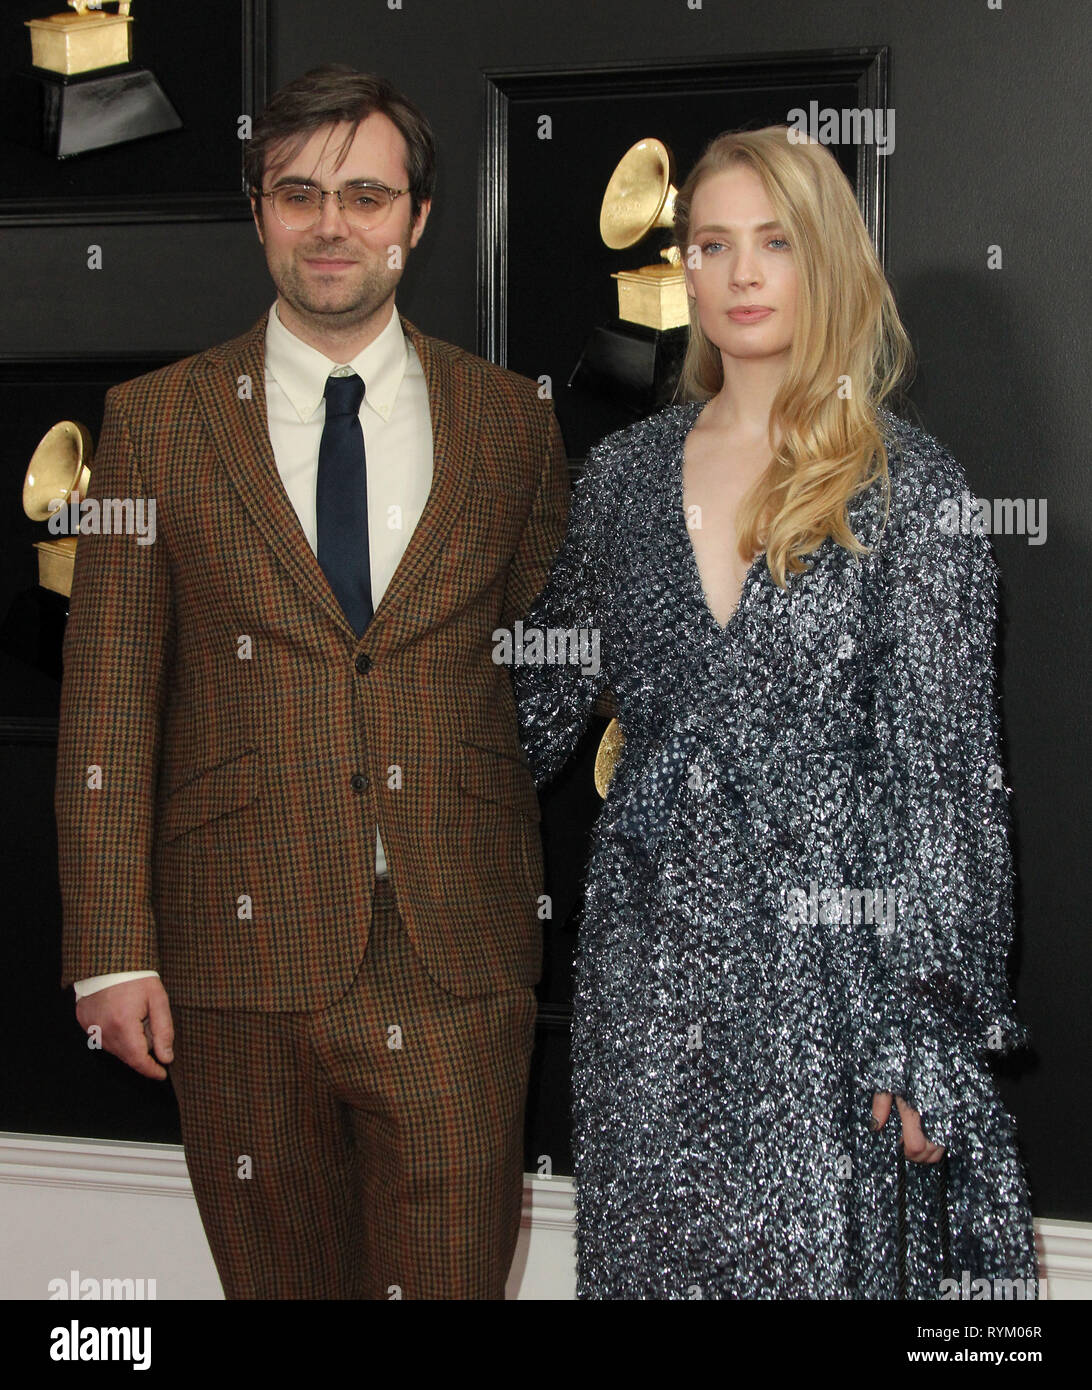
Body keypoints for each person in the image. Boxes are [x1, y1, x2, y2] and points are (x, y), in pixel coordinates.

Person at [55, 65, 568, 1300]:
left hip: (456, 953)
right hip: (235, 961)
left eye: (365, 195)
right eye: (299, 194)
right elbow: (110, 700)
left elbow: (548, 667)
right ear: (258, 211)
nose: (332, 224)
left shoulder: (511, 424)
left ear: (418, 220)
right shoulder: (155, 423)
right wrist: (109, 950)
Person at [512, 126, 1039, 1298]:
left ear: (832, 262)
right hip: (645, 983)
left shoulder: (913, 489)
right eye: (713, 243)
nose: (743, 274)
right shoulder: (620, 481)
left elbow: (947, 789)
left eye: (776, 242)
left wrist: (929, 1035)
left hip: (831, 990)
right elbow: (526, 714)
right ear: (683, 270)